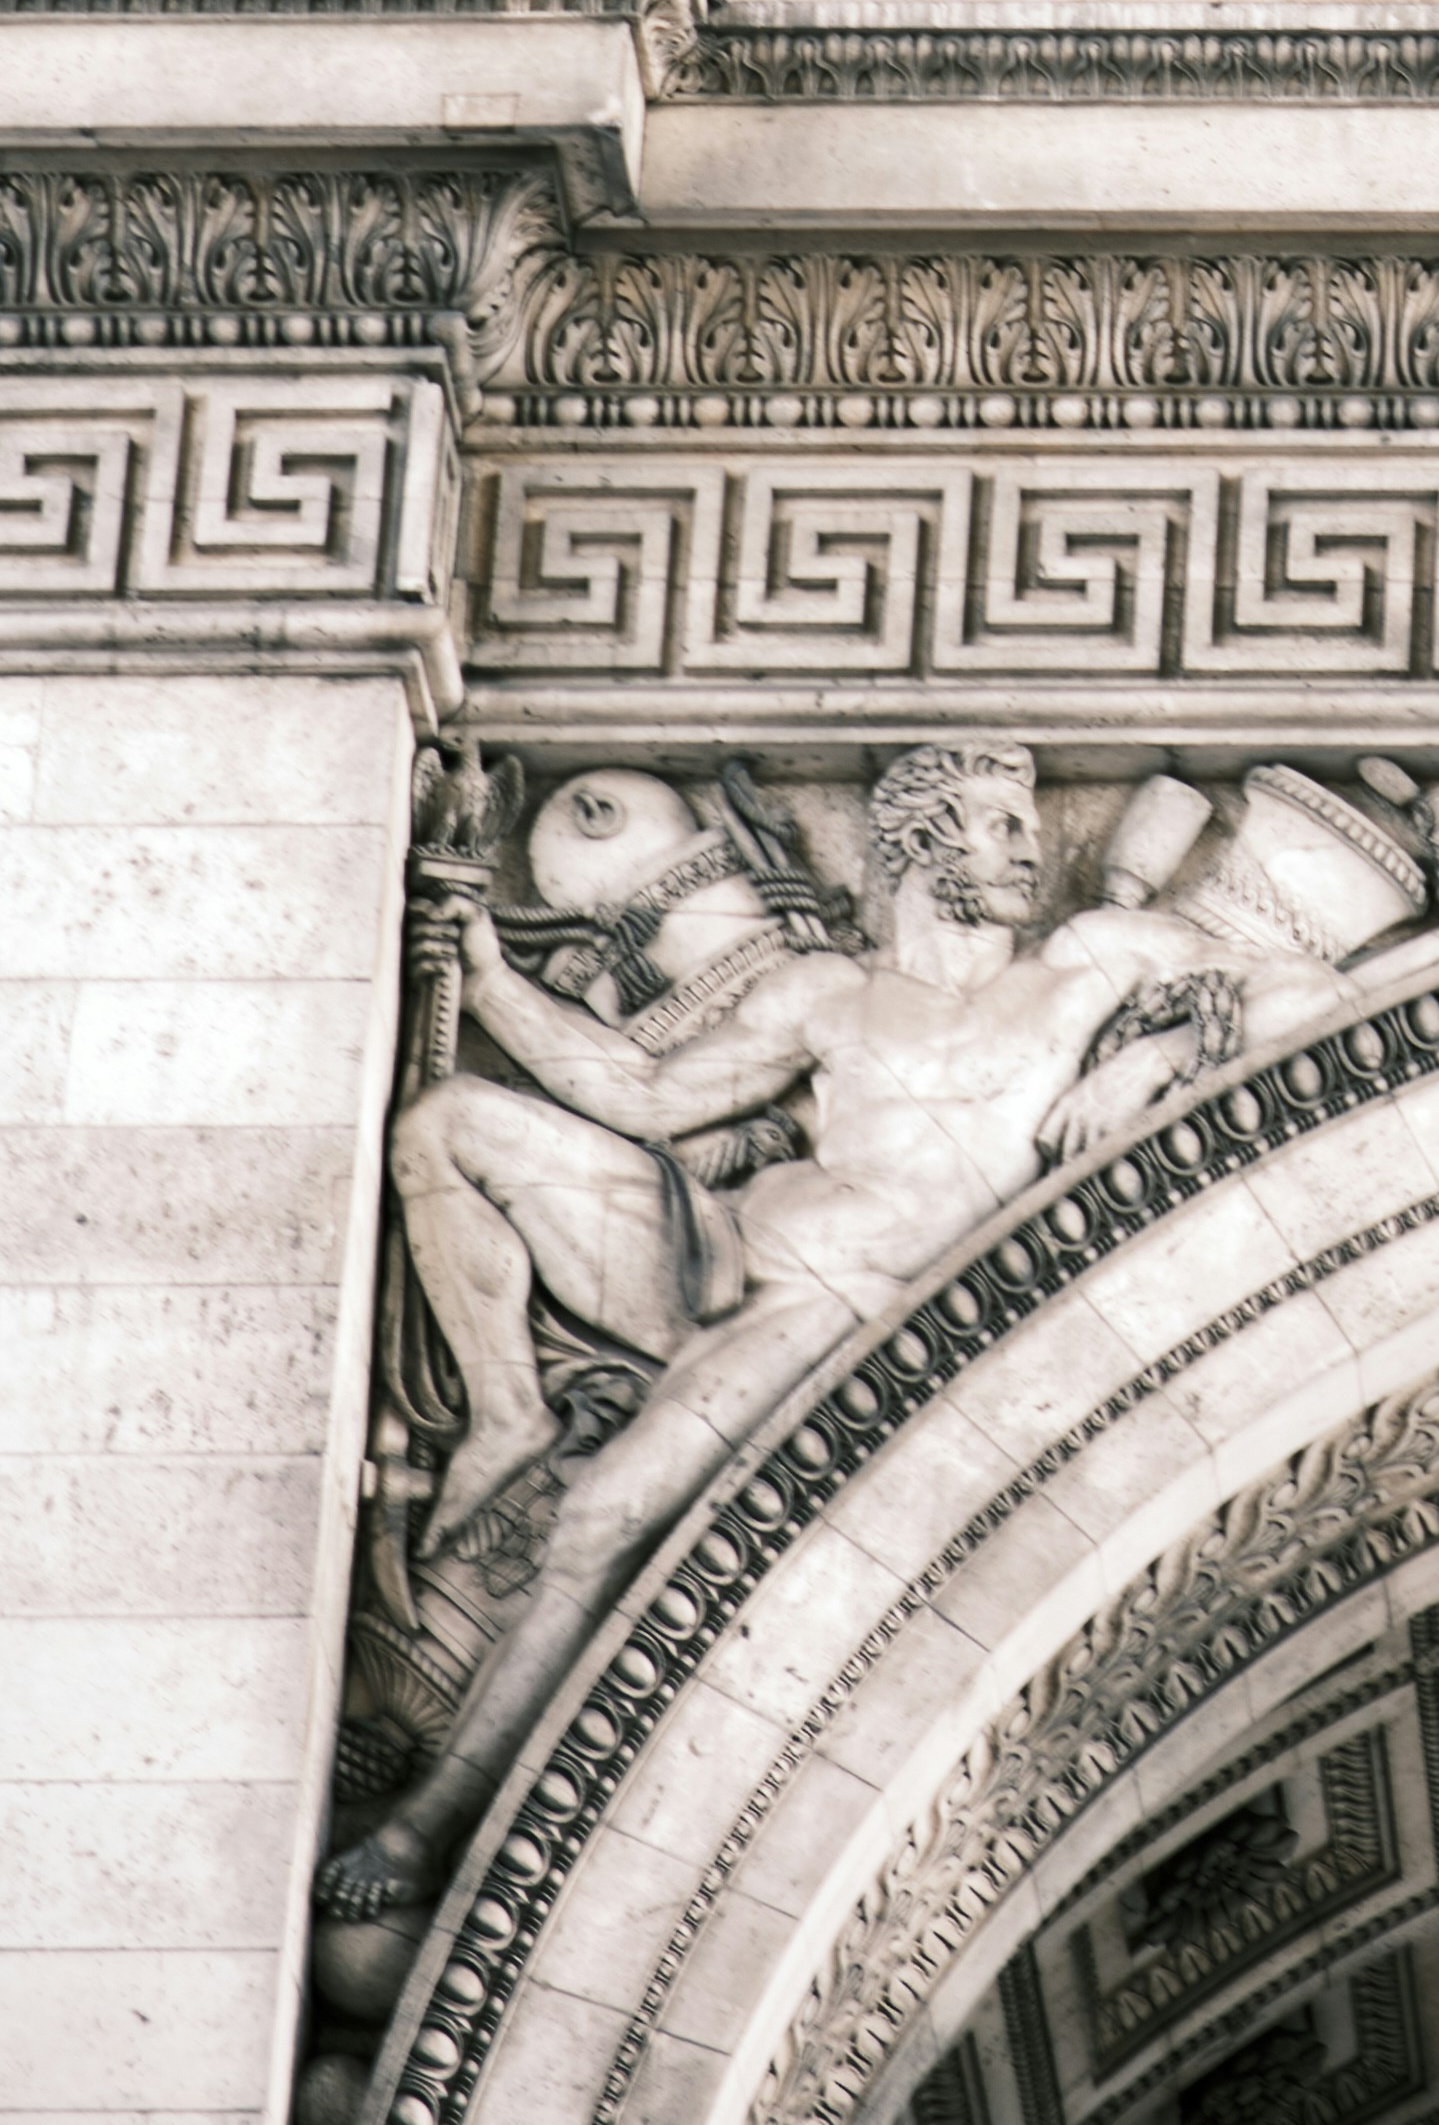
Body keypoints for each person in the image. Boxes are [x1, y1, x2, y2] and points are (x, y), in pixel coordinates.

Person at [318, 738, 1234, 1917]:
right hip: (731, 1255)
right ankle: (506, 1413)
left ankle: (431, 1819)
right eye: (1001, 822)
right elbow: (640, 1093)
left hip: (847, 1312)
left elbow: (1296, 997)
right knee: (451, 1122)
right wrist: (489, 978)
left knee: (604, 1514)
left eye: (1028, 825)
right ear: (917, 836)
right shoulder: (825, 993)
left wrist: (1161, 1051)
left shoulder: (1089, 959)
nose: (1033, 846)